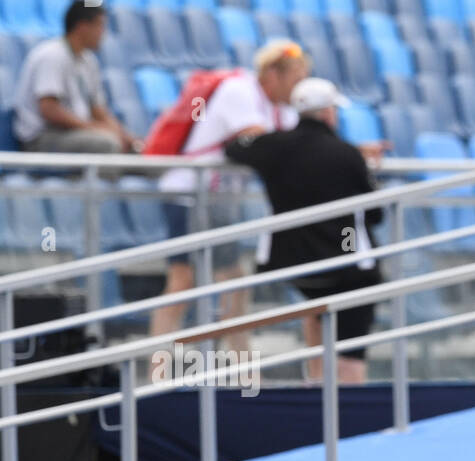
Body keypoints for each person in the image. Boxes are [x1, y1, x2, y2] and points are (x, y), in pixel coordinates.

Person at [150, 40, 309, 352]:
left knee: (231, 281)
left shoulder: (279, 107)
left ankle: (240, 366)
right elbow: (263, 140)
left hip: (216, 200)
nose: (298, 88)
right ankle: (161, 363)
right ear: (272, 74)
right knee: (185, 280)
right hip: (190, 195)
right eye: (295, 79)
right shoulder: (240, 90)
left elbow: (303, 141)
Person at [224, 77, 385, 385]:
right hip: (350, 266)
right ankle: (351, 422)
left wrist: (260, 135)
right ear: (327, 114)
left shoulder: (273, 146)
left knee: (317, 314)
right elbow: (374, 214)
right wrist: (368, 168)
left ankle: (318, 400)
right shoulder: (347, 154)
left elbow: (235, 147)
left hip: (296, 262)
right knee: (350, 353)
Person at [12, 0, 136, 154]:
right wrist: (95, 128)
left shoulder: (89, 60)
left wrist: (124, 135)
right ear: (82, 27)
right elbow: (49, 109)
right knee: (107, 144)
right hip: (43, 139)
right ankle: (99, 179)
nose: (103, 33)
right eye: (100, 25)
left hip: (75, 133)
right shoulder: (51, 55)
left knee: (136, 149)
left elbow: (97, 109)